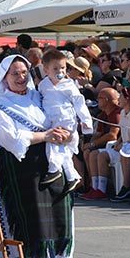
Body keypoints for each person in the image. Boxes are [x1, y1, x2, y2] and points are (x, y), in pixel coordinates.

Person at [0, 55, 72, 258]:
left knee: (51, 214)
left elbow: (60, 118)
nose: (21, 77)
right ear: (4, 77)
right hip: (18, 163)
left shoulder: (40, 97)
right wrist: (45, 136)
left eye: (24, 72)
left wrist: (64, 134)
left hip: (47, 159)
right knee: (30, 217)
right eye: (14, 73)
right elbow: (12, 139)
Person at [37, 49, 93, 195]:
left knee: (55, 143)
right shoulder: (43, 85)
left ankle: (53, 169)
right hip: (50, 118)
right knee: (63, 151)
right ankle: (72, 176)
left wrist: (86, 121)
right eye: (55, 68)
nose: (59, 71)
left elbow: (79, 103)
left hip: (65, 118)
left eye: (62, 68)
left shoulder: (69, 85)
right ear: (46, 69)